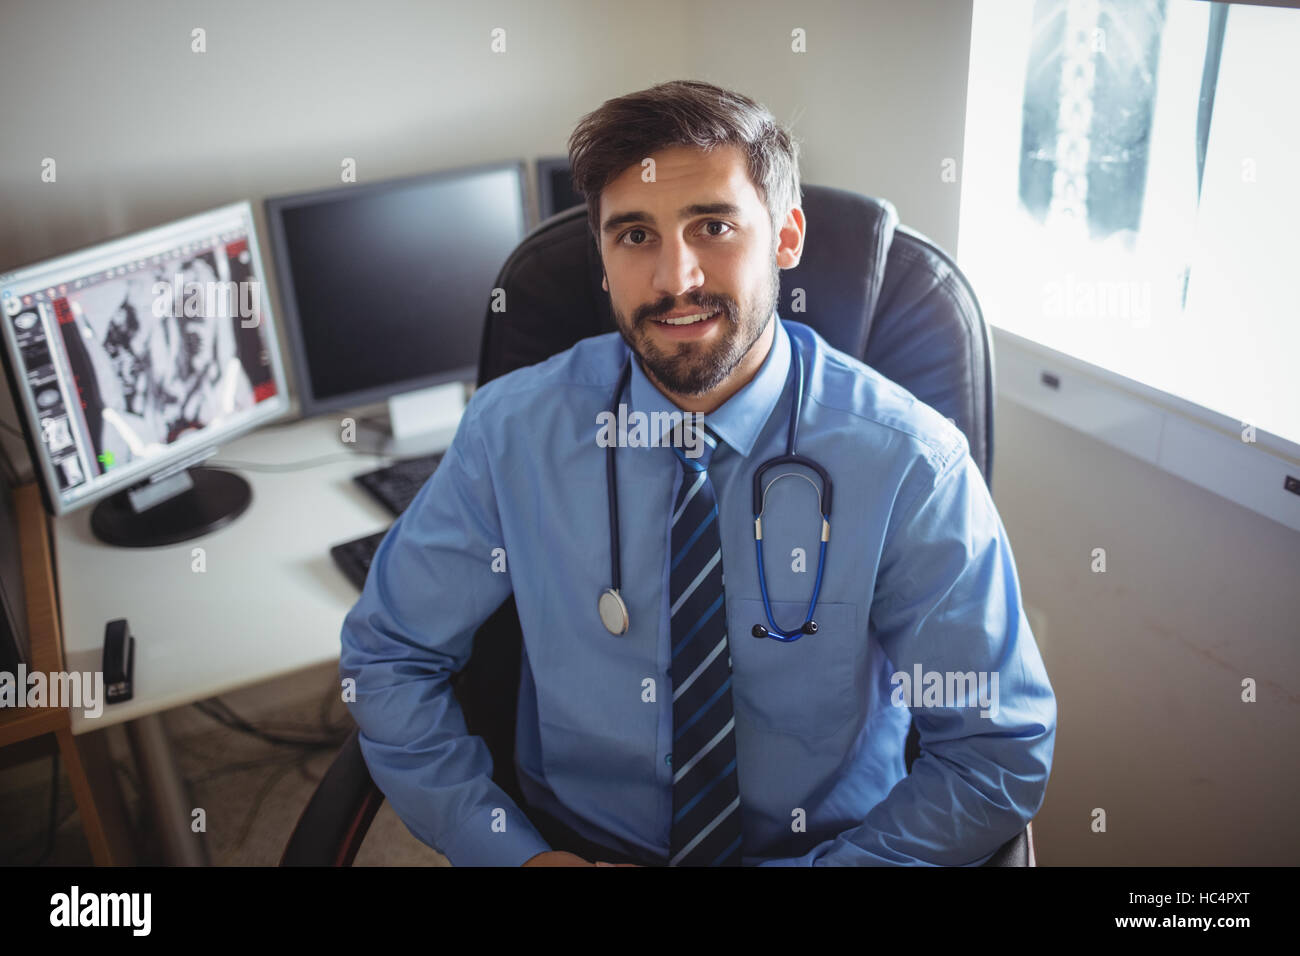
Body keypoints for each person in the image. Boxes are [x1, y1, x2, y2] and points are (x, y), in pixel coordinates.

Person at [339, 80, 1056, 867]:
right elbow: (391, 659)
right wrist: (509, 852)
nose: (674, 279)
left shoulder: (910, 463)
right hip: (578, 849)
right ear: (603, 258)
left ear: (786, 237)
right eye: (635, 235)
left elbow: (994, 752)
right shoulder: (513, 433)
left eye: (713, 226)